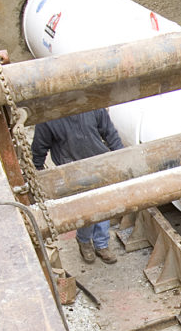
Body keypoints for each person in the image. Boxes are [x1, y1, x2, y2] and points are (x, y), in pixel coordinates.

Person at [32, 109, 125, 264]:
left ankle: (102, 244)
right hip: (71, 171)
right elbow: (39, 147)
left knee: (104, 207)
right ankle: (84, 241)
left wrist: (122, 156)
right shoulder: (47, 116)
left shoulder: (91, 105)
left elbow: (109, 133)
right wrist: (37, 170)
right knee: (86, 210)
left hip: (98, 164)